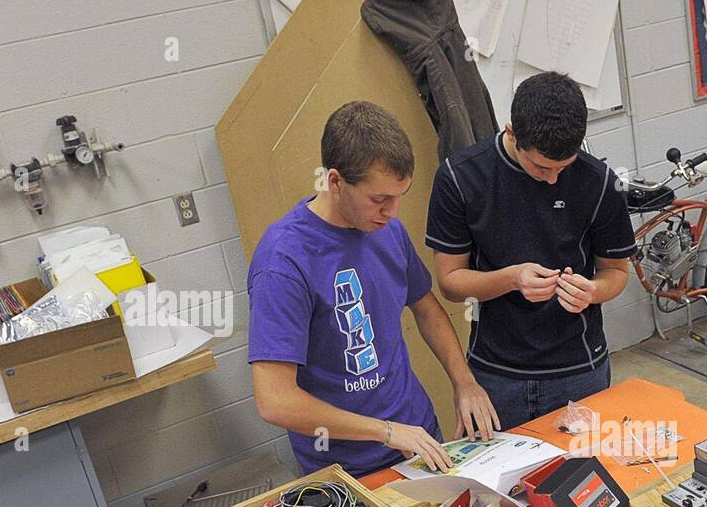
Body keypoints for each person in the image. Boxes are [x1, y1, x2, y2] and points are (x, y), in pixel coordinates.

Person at [248, 100, 500, 476]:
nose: (393, 212)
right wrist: (385, 432)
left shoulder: (385, 229)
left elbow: (427, 308)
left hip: (417, 436)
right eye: (379, 200)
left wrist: (464, 382)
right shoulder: (283, 262)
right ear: (335, 182)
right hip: (347, 465)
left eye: (400, 197)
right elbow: (274, 400)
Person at [425, 71, 637, 429]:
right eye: (541, 166)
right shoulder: (461, 178)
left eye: (563, 167)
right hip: (496, 374)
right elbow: (450, 283)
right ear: (511, 133)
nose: (552, 179)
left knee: (583, 479)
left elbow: (616, 272)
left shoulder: (599, 181)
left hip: (579, 370)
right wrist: (510, 279)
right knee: (494, 483)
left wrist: (593, 291)